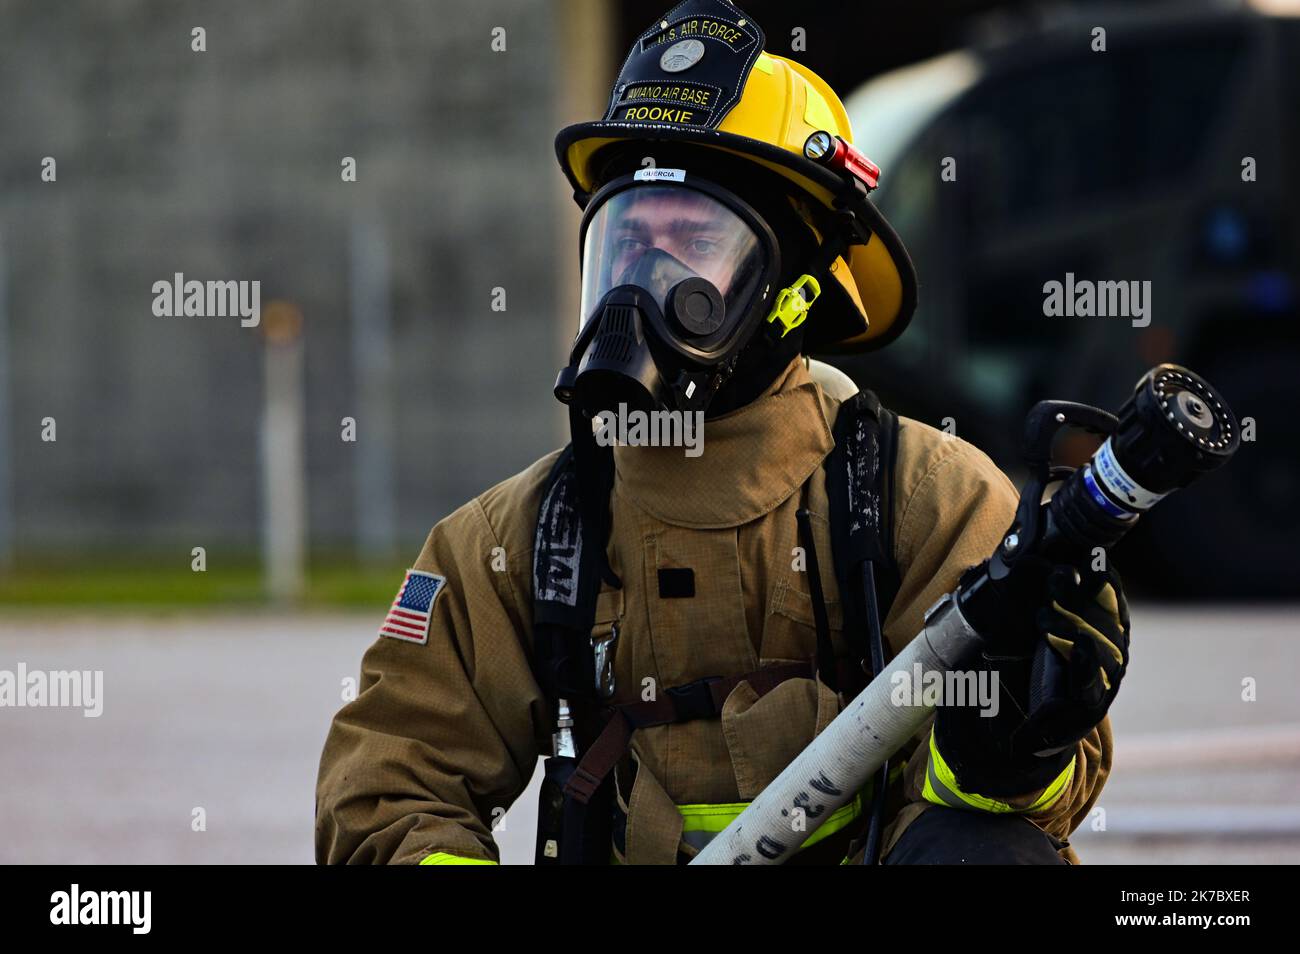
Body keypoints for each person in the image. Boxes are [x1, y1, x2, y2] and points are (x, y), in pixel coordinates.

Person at [315, 0, 1128, 865]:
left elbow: (1026, 813)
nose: (643, 283)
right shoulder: (515, 540)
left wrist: (1006, 748)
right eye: (629, 240)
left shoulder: (926, 500)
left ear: (798, 285)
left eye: (694, 239)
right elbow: (388, 794)